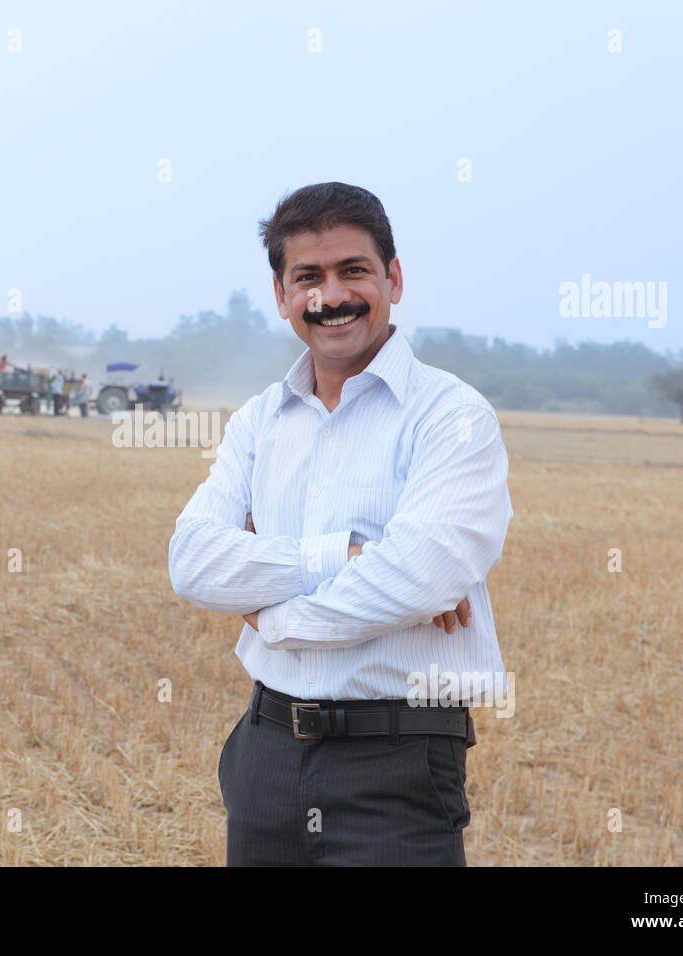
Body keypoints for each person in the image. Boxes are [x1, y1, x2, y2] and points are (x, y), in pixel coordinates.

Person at [168, 182, 514, 866]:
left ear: (394, 278)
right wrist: (343, 556)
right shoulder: (259, 421)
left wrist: (273, 616)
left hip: (398, 764)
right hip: (265, 752)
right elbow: (193, 560)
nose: (331, 296)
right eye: (308, 278)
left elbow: (418, 577)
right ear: (282, 296)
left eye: (352, 270)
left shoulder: (453, 417)